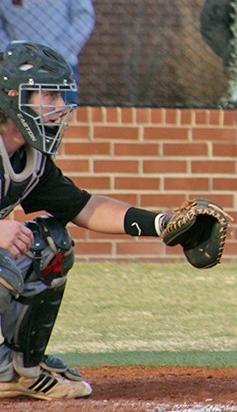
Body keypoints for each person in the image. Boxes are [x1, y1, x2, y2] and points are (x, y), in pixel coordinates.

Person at [0, 42, 223, 400]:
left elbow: (84, 207)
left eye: (61, 97)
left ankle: (17, 370)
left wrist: (163, 224)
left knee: (51, 246)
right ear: (12, 97)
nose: (59, 108)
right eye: (48, 96)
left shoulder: (30, 158)